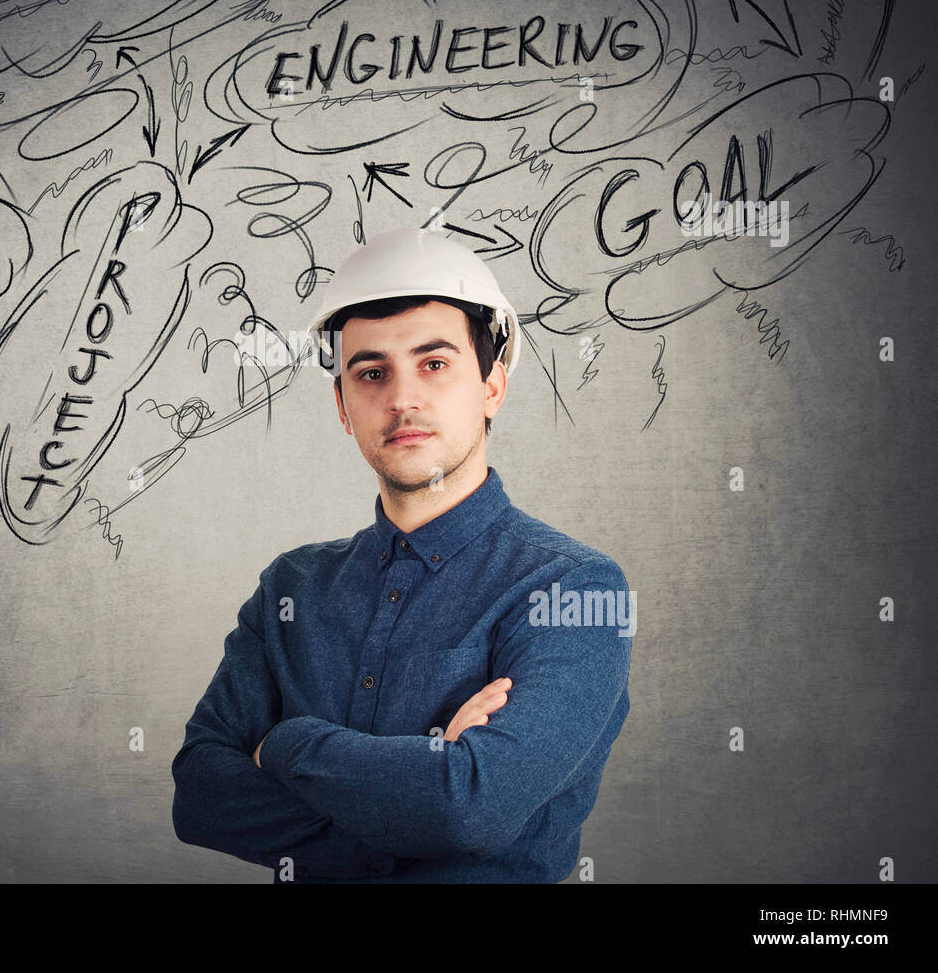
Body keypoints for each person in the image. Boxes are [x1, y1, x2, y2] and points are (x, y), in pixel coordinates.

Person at [171, 228, 633, 882]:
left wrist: (282, 743)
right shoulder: (291, 588)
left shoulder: (575, 590)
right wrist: (424, 777)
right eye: (371, 372)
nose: (402, 398)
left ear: (492, 384)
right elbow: (200, 794)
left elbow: (468, 807)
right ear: (342, 404)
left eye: (435, 362)